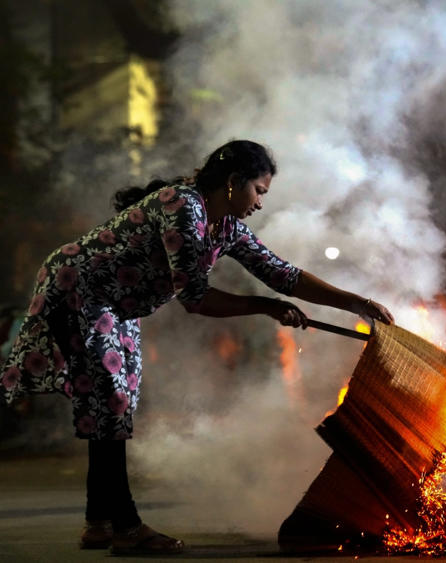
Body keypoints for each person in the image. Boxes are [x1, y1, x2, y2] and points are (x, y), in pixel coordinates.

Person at [0, 140, 395, 555]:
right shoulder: (183, 206)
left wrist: (357, 303)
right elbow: (196, 299)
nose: (261, 203)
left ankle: (99, 522)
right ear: (233, 182)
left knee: (116, 405)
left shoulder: (226, 228)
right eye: (259, 190)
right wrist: (266, 306)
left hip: (117, 305)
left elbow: (285, 275)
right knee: (110, 402)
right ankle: (126, 528)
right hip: (79, 289)